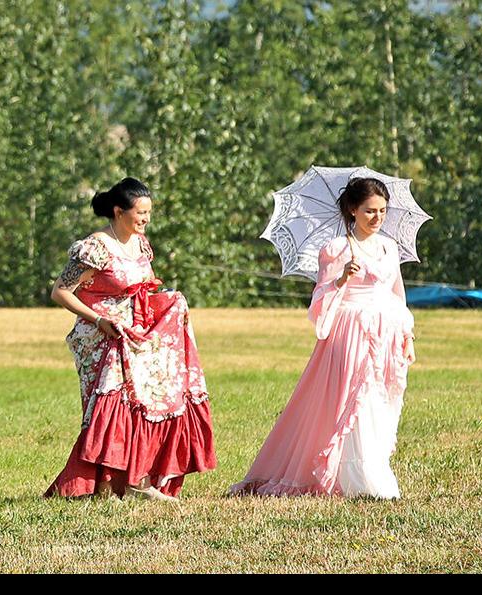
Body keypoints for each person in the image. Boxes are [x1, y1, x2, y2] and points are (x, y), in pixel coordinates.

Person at [230, 177, 416, 499]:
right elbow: (319, 300)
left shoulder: (388, 247)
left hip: (384, 333)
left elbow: (397, 295)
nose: (377, 218)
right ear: (353, 211)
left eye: (382, 211)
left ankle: (373, 468)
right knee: (357, 399)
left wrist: (407, 335)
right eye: (370, 211)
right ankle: (359, 478)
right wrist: (341, 278)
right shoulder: (336, 249)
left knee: (380, 400)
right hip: (350, 332)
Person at [44, 177, 216, 501]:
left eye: (149, 212)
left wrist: (169, 304)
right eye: (140, 212)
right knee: (112, 406)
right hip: (99, 337)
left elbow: (146, 286)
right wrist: (100, 320)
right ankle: (107, 485)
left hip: (134, 335)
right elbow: (60, 292)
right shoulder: (94, 247)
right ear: (118, 211)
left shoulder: (140, 243)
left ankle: (137, 480)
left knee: (145, 401)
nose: (146, 219)